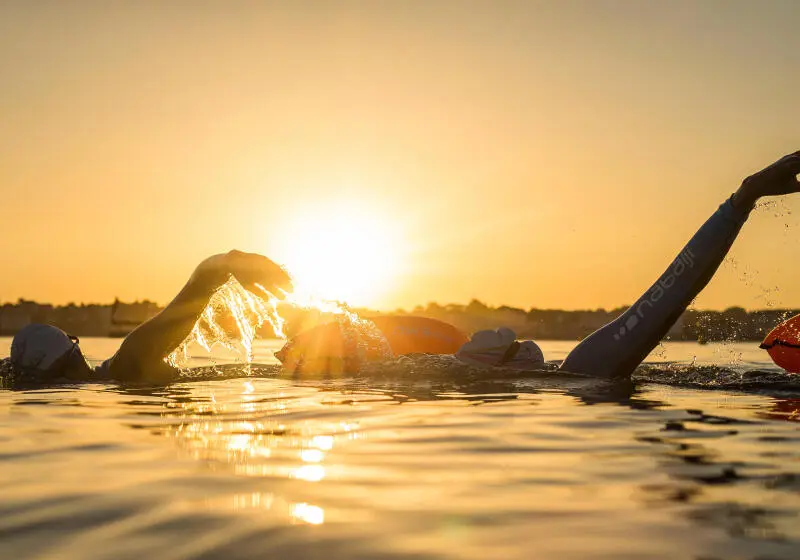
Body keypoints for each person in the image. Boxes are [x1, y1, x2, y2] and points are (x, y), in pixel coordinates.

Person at [5, 150, 800, 384]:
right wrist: (741, 199)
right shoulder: (565, 376)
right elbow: (661, 302)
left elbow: (659, 303)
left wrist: (743, 199)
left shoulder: (561, 376)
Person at [5, 251, 293, 383]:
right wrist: (227, 262)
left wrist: (227, 262)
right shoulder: (116, 371)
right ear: (73, 347)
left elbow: (196, 289)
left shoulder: (128, 364)